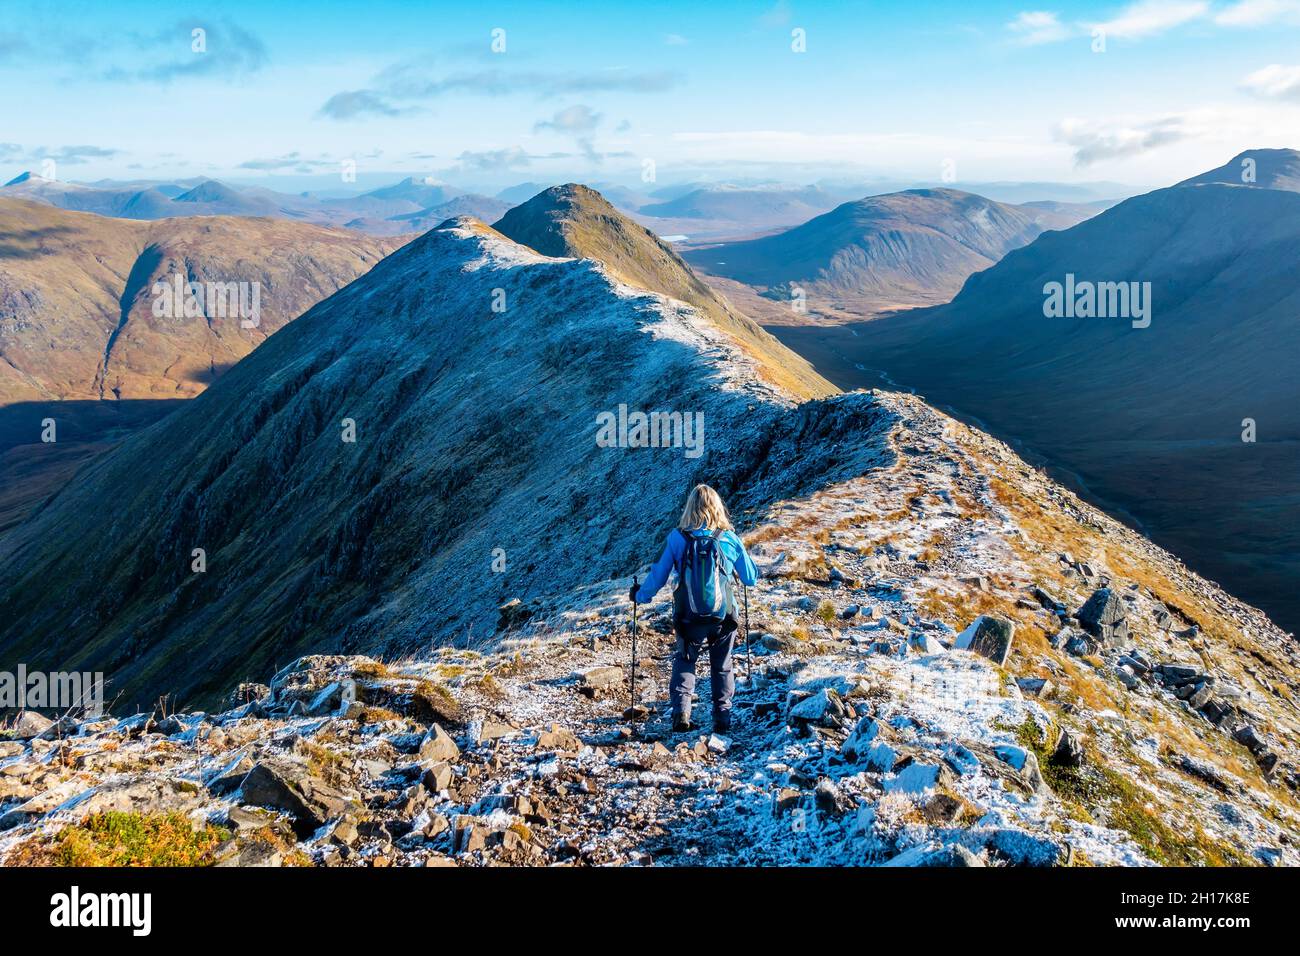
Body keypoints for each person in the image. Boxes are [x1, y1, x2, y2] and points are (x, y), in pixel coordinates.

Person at [630, 484, 758, 733]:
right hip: (724, 617)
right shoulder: (728, 538)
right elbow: (750, 577)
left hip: (688, 616)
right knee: (722, 664)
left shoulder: (678, 537)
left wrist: (640, 596)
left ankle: (681, 715)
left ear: (690, 507)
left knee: (685, 659)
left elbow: (658, 576)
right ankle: (722, 718)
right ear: (717, 507)